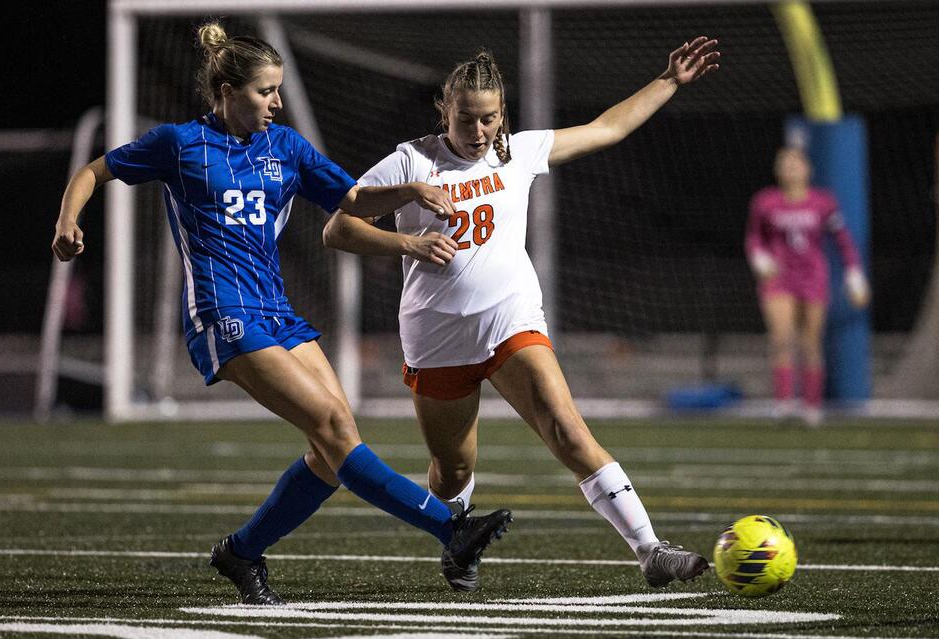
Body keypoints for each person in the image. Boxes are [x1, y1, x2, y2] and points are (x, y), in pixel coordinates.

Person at [51, 23, 514, 603]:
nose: (276, 102)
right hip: (223, 313)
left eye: (278, 90)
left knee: (331, 452)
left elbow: (352, 199)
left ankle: (241, 553)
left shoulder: (285, 148)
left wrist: (412, 191)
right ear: (227, 91)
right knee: (334, 429)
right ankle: (450, 529)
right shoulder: (179, 143)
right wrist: (68, 219)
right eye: (265, 91)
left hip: (277, 309)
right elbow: (94, 171)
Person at [322, 39, 720, 590]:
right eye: (466, 118)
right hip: (436, 336)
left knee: (566, 428)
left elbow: (607, 128)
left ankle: (650, 549)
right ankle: (457, 540)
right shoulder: (412, 161)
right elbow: (338, 228)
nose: (478, 130)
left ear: (502, 113)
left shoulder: (518, 152)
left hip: (511, 321)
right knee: (453, 471)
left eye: (489, 118)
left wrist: (669, 80)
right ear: (444, 110)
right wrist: (407, 244)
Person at [745, 146, 869, 426]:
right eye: (785, 163)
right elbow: (754, 238)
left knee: (810, 341)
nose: (791, 168)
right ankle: (784, 403)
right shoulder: (765, 202)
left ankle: (811, 405)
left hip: (813, 277)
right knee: (782, 338)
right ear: (777, 170)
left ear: (808, 169)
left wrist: (854, 274)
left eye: (796, 163)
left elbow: (843, 240)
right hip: (779, 277)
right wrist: (760, 259)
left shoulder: (823, 202)